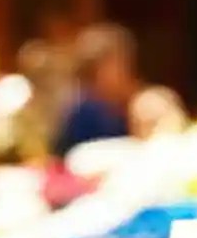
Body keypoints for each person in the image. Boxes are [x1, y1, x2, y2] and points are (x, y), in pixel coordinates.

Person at [52, 22, 138, 157]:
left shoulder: (138, 102)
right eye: (114, 65)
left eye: (124, 63)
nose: (122, 71)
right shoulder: (83, 113)